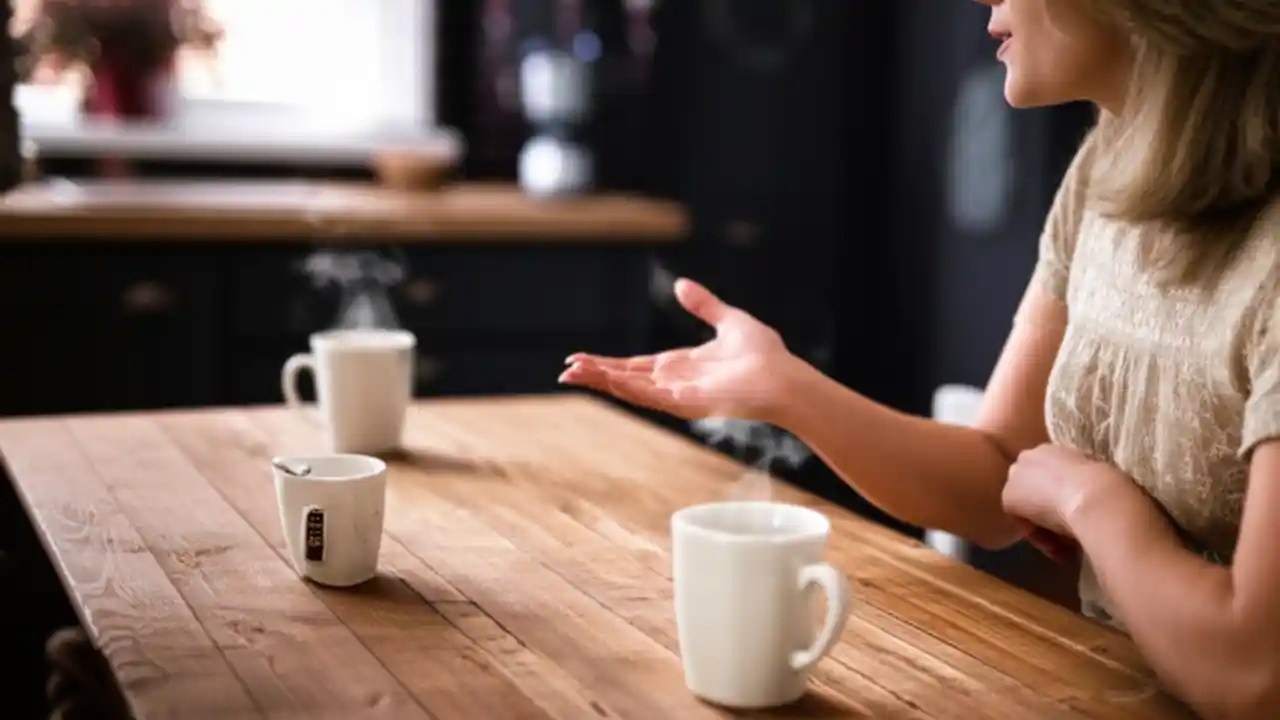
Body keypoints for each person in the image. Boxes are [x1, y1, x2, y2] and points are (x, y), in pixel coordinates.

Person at [559, 1, 1280, 717]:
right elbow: (999, 471)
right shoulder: (1107, 167)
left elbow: (1253, 673)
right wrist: (786, 390)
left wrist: (1090, 502)